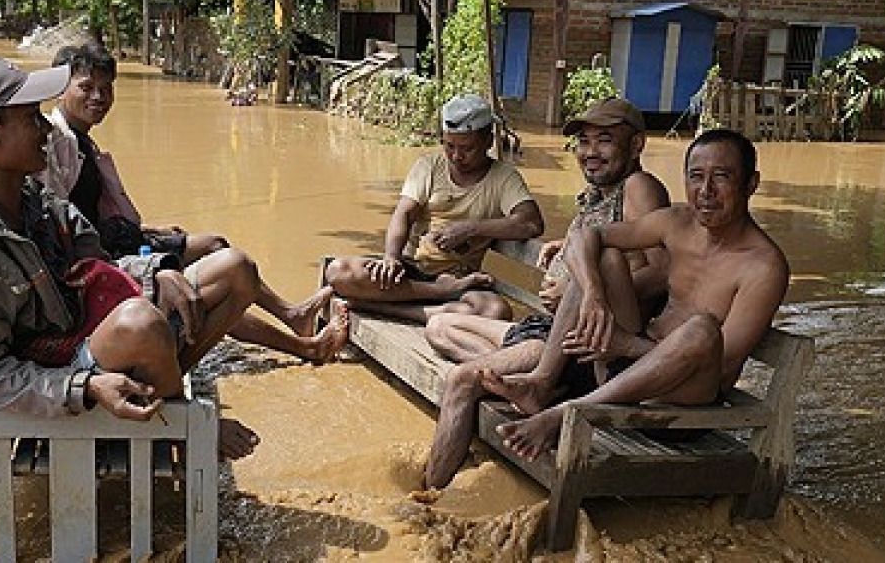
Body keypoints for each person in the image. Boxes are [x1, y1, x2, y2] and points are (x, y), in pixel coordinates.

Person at [0, 54, 261, 460]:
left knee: (235, 270)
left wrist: (157, 272)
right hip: (46, 377)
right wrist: (82, 387)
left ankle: (159, 398)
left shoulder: (32, 197)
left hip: (77, 331)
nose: (46, 128)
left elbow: (94, 262)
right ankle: (177, 424)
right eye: (32, 118)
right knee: (141, 324)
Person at [482, 128, 790, 461]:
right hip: (626, 370)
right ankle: (542, 382)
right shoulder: (677, 222)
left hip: (681, 402)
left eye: (722, 177)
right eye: (696, 177)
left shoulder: (764, 266)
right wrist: (593, 294)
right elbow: (586, 235)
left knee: (702, 329)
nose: (706, 191)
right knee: (604, 257)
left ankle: (563, 413)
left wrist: (627, 344)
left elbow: (722, 367)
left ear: (750, 184)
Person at [41, 43, 348, 364]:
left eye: (105, 89)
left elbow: (89, 210)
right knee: (222, 272)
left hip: (114, 238)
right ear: (61, 89)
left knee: (216, 246)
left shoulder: (80, 138)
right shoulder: (54, 142)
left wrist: (148, 230)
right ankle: (300, 335)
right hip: (102, 254)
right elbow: (63, 224)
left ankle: (293, 319)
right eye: (86, 88)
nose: (99, 98)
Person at [421, 97, 670, 489]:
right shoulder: (599, 196)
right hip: (548, 331)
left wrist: (583, 293)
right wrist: (564, 244)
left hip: (580, 344)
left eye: (604, 141)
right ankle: (524, 380)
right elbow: (608, 240)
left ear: (637, 144)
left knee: (463, 379)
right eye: (584, 142)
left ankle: (428, 496)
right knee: (439, 327)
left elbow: (659, 273)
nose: (590, 153)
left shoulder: (640, 187)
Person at [324, 94, 544, 323]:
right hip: (411, 275)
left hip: (462, 279)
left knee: (495, 311)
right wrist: (391, 258)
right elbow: (404, 214)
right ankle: (439, 293)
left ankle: (392, 310)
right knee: (339, 271)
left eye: (467, 149)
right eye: (449, 146)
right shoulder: (428, 166)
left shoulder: (504, 178)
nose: (456, 156)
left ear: (489, 141)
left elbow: (531, 223)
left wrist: (469, 229)